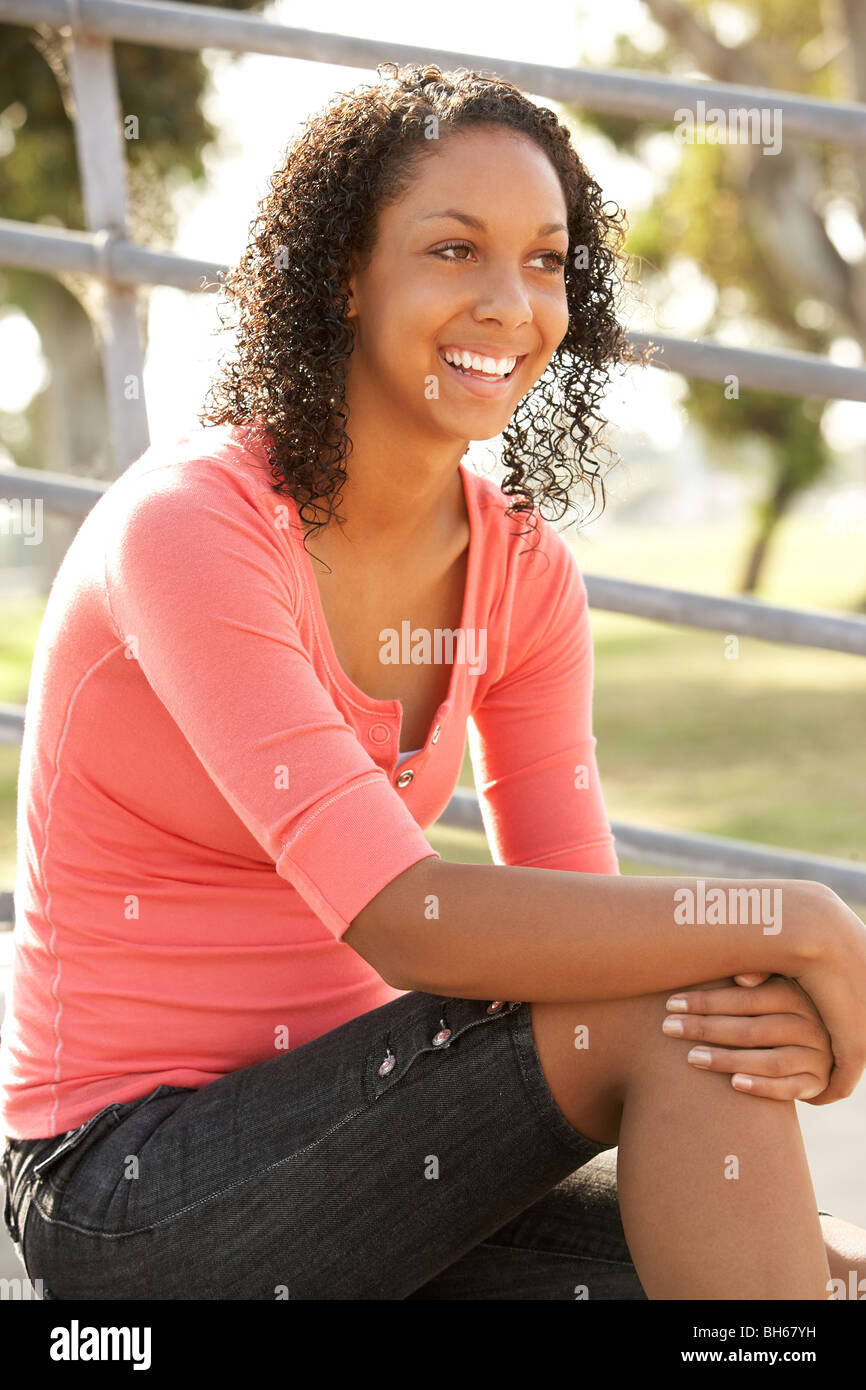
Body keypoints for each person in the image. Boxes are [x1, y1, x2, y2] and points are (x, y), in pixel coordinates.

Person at [2, 61, 865, 1301]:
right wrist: (780, 920)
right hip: (131, 1188)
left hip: (364, 1150)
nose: (510, 304)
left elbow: (585, 934)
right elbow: (404, 916)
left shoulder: (520, 574)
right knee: (685, 1018)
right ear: (345, 275)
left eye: (545, 260)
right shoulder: (194, 530)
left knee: (754, 1238)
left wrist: (754, 1023)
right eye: (453, 250)